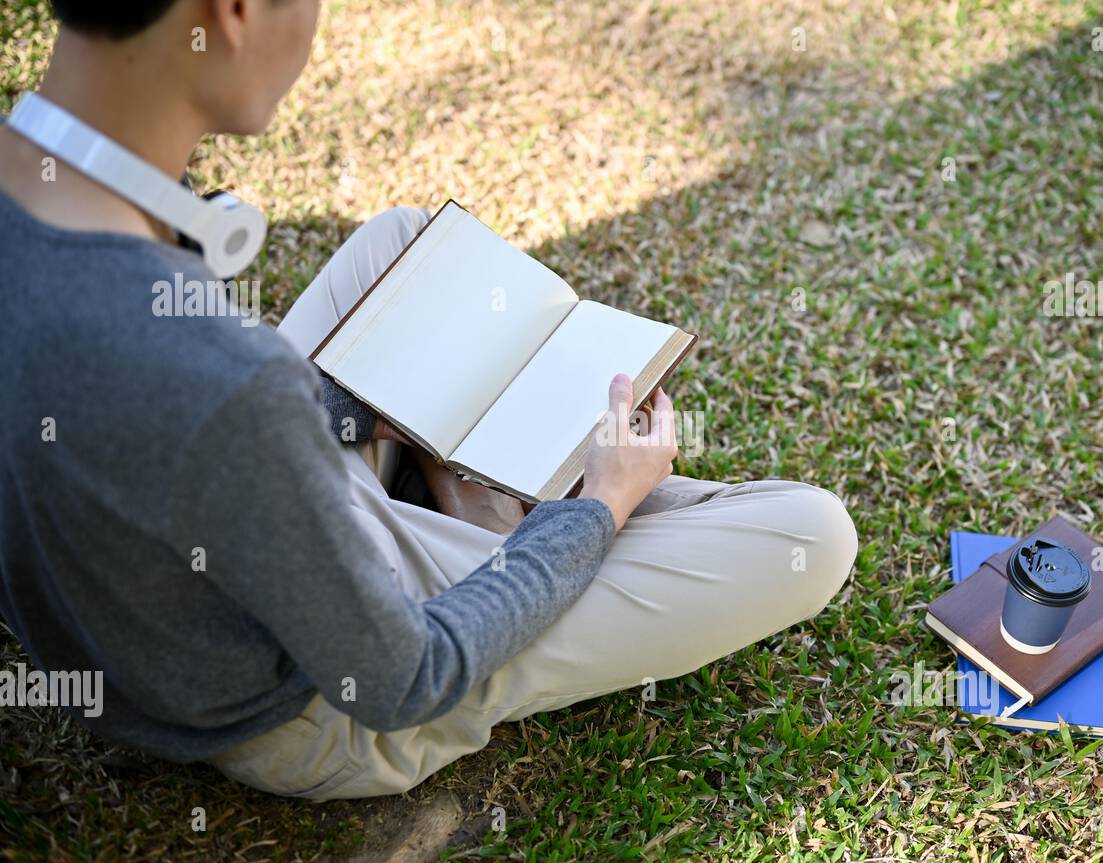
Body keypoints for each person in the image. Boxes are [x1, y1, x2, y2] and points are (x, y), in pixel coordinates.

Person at [0, 0, 857, 800]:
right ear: (231, 11)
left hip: (197, 575)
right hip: (304, 702)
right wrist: (599, 506)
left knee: (401, 244)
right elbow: (406, 678)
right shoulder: (225, 380)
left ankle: (462, 483)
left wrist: (351, 416)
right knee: (810, 534)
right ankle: (499, 518)